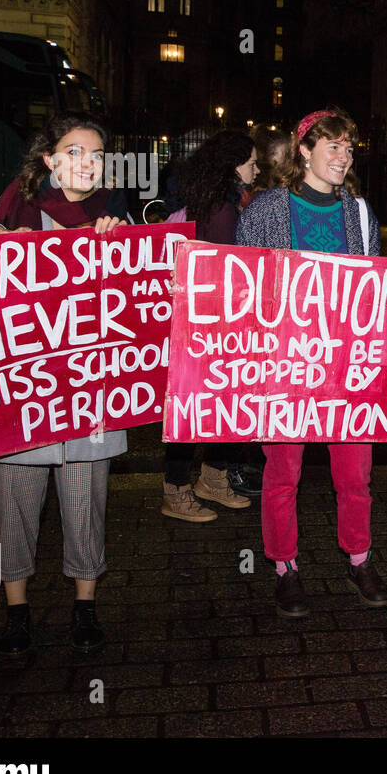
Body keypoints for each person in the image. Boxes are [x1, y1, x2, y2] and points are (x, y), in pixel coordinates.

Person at [233, 107, 387, 617]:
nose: (344, 157)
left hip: (346, 366)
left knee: (355, 472)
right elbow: (243, 290)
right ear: (304, 150)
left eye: (349, 148)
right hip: (285, 365)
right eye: (334, 146)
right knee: (283, 472)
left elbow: (371, 292)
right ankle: (284, 566)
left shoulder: (360, 212)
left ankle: (359, 558)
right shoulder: (264, 211)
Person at [0, 111, 129, 655]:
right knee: (14, 505)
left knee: (87, 503)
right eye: (73, 151)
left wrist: (125, 242)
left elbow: (146, 293)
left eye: (95, 153)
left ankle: (85, 606)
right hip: (24, 400)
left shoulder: (117, 219)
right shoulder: (7, 209)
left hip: (91, 399)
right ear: (49, 160)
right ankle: (16, 611)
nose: (85, 162)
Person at [160, 130, 259, 522]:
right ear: (234, 166)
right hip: (209, 325)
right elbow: (223, 271)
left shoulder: (220, 201)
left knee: (220, 402)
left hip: (208, 322)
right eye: (251, 162)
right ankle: (176, 490)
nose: (256, 169)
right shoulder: (222, 208)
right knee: (194, 405)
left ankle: (212, 478)